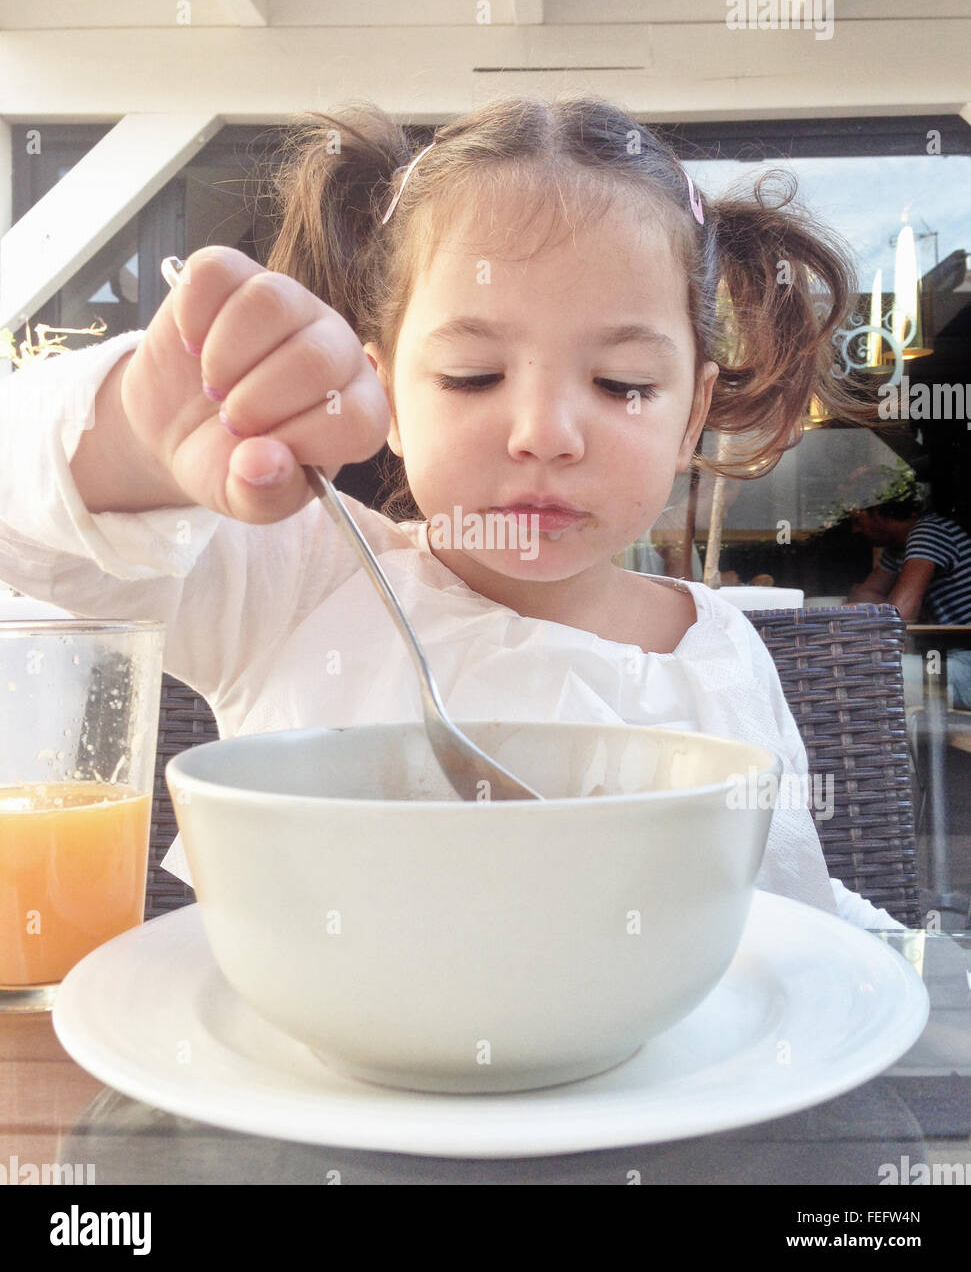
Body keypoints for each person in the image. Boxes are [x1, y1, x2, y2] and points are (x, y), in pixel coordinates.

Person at [0, 96, 899, 928]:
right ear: (386, 388)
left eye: (621, 384)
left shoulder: (722, 657)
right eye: (473, 376)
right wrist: (130, 433)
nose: (543, 434)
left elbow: (784, 919)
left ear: (690, 414)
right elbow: (28, 530)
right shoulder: (298, 582)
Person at [848, 497, 971, 709]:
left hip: (965, 664)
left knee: (861, 670)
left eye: (858, 520)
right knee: (861, 671)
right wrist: (898, 602)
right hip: (948, 658)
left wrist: (899, 603)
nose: (854, 530)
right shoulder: (898, 548)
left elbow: (899, 613)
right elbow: (862, 596)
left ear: (878, 511)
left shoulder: (929, 532)